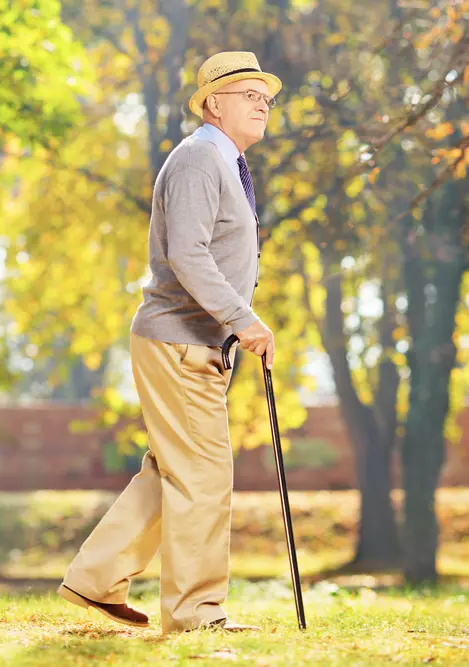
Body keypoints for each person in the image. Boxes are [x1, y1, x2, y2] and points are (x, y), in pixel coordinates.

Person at [56, 51, 281, 634]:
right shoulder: (199, 160)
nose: (262, 102)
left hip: (191, 343)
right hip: (180, 341)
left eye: (266, 96)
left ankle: (94, 580)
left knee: (172, 474)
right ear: (212, 103)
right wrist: (242, 318)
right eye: (247, 92)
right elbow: (187, 253)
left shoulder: (221, 163)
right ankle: (195, 613)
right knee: (203, 477)